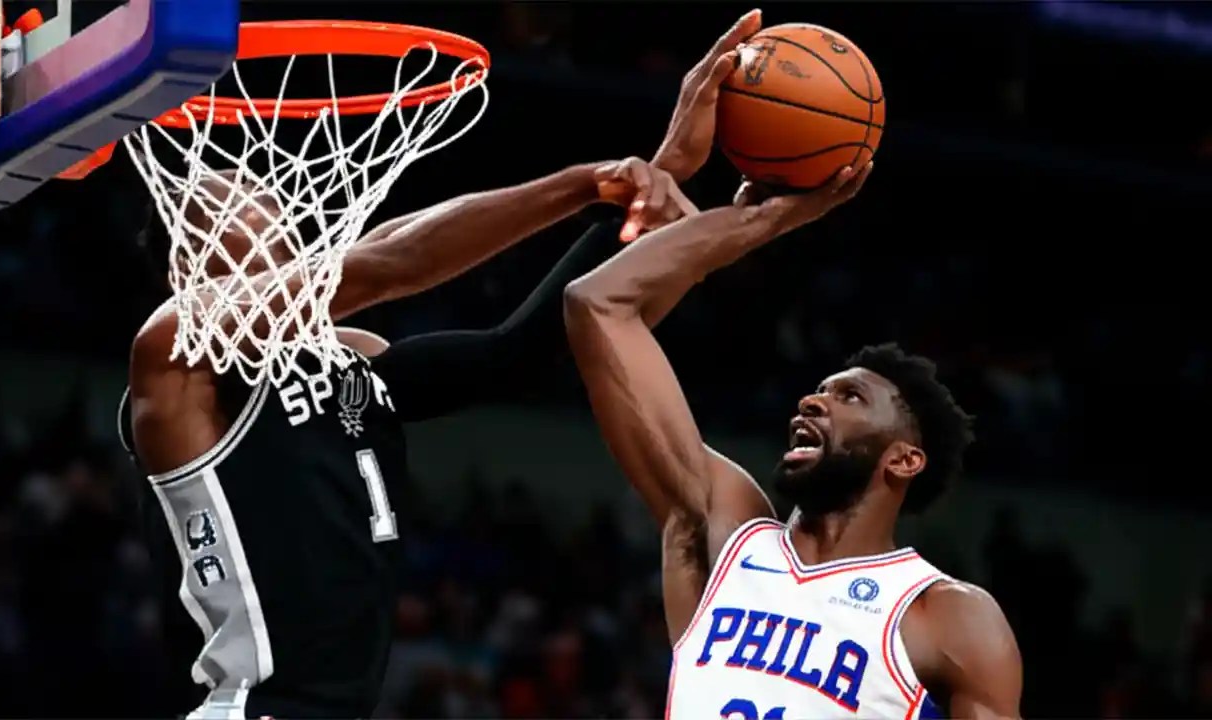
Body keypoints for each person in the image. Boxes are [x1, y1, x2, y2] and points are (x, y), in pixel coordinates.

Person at [112, 10, 770, 716]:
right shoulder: (173, 352)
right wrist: (589, 183)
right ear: (188, 254)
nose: (267, 197)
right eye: (235, 197)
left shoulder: (352, 358)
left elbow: (512, 356)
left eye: (266, 192)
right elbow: (396, 261)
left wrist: (660, 176)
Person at [563, 94, 1021, 720]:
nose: (813, 399)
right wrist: (758, 223)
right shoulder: (722, 532)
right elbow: (598, 304)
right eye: (821, 388)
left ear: (905, 458)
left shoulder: (943, 614)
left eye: (850, 396)